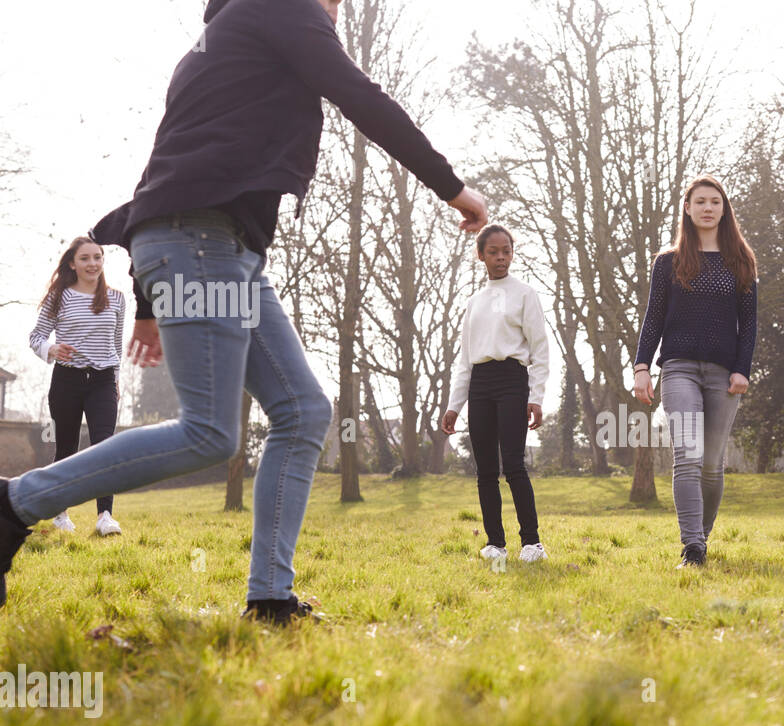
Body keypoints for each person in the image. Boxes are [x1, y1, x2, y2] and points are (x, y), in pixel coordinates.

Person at [0, 0, 488, 618]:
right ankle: (16, 502)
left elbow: (161, 169)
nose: (335, 11)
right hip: (201, 245)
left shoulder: (219, 39)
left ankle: (269, 597)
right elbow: (359, 95)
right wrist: (451, 186)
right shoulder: (280, 6)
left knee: (303, 410)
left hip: (212, 248)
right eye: (333, 1)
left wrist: (148, 299)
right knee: (208, 432)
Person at [633, 175, 757, 569]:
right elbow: (653, 318)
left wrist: (742, 370)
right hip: (679, 367)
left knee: (712, 463)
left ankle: (700, 539)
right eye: (700, 201)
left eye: (715, 202)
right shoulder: (668, 262)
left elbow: (749, 325)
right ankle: (693, 549)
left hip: (723, 374)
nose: (708, 207)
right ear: (687, 208)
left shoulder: (742, 262)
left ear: (724, 209)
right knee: (687, 456)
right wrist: (641, 367)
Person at [441, 225, 550, 564]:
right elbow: (464, 359)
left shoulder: (525, 294)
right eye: (493, 252)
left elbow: (540, 350)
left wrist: (537, 396)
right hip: (481, 384)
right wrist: (454, 406)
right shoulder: (474, 302)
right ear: (481, 255)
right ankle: (495, 544)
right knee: (485, 469)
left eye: (506, 250)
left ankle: (532, 543)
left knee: (514, 464)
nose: (501, 257)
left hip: (513, 380)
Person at [29, 238, 126, 536]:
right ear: (73, 263)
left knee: (104, 447)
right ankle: (60, 513)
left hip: (103, 381)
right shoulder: (59, 297)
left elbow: (117, 343)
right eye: (85, 258)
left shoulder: (117, 298)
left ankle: (104, 516)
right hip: (67, 380)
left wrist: (116, 380)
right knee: (67, 449)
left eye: (97, 257)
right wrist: (51, 349)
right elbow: (36, 337)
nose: (93, 264)